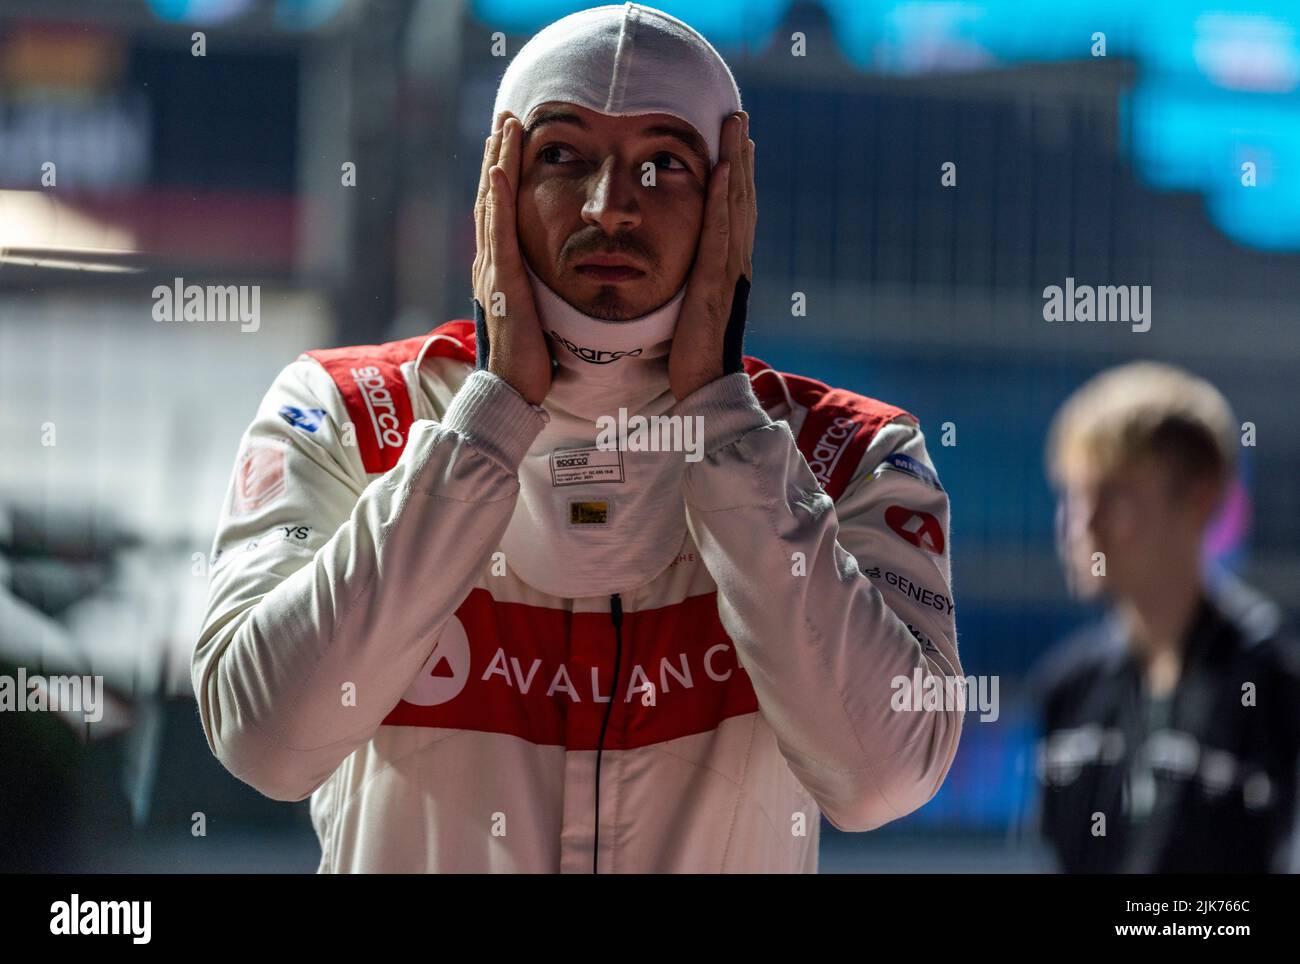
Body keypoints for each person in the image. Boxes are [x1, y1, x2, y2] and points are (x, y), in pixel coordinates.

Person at [192, 2, 963, 873]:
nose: (611, 207)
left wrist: (720, 418)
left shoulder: (849, 453)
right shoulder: (344, 410)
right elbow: (266, 743)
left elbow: (882, 779)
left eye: (664, 165)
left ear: (728, 201)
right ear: (499, 188)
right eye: (562, 156)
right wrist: (488, 423)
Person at [1032, 361, 1300, 873]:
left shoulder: (1275, 688)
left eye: (1112, 493)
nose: (1081, 524)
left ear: (1199, 499)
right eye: (1072, 494)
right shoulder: (1068, 689)